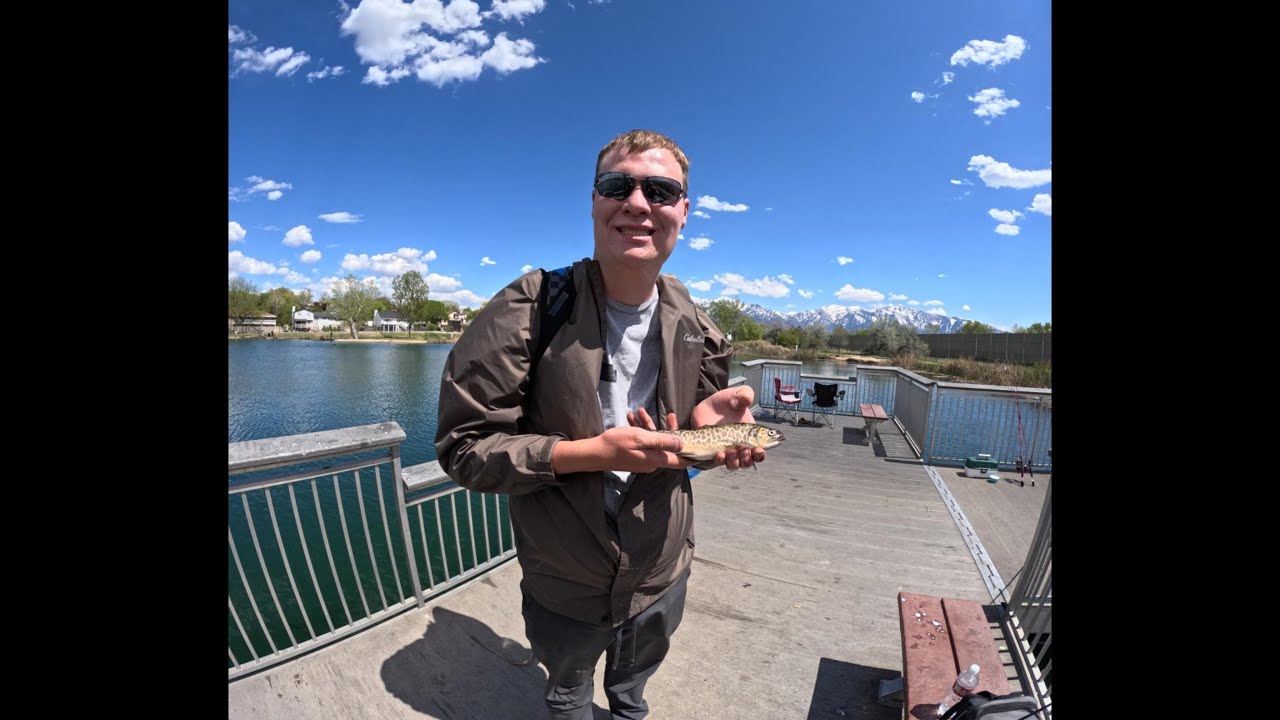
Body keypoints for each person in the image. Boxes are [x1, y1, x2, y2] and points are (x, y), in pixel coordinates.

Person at [435, 129, 768, 720]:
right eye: (618, 185)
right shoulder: (532, 305)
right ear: (594, 200)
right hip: (562, 578)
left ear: (683, 212)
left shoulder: (696, 321)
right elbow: (465, 449)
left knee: (632, 698)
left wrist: (704, 432)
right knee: (567, 696)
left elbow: (684, 444)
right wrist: (592, 453)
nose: (638, 203)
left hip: (662, 573)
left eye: (661, 190)